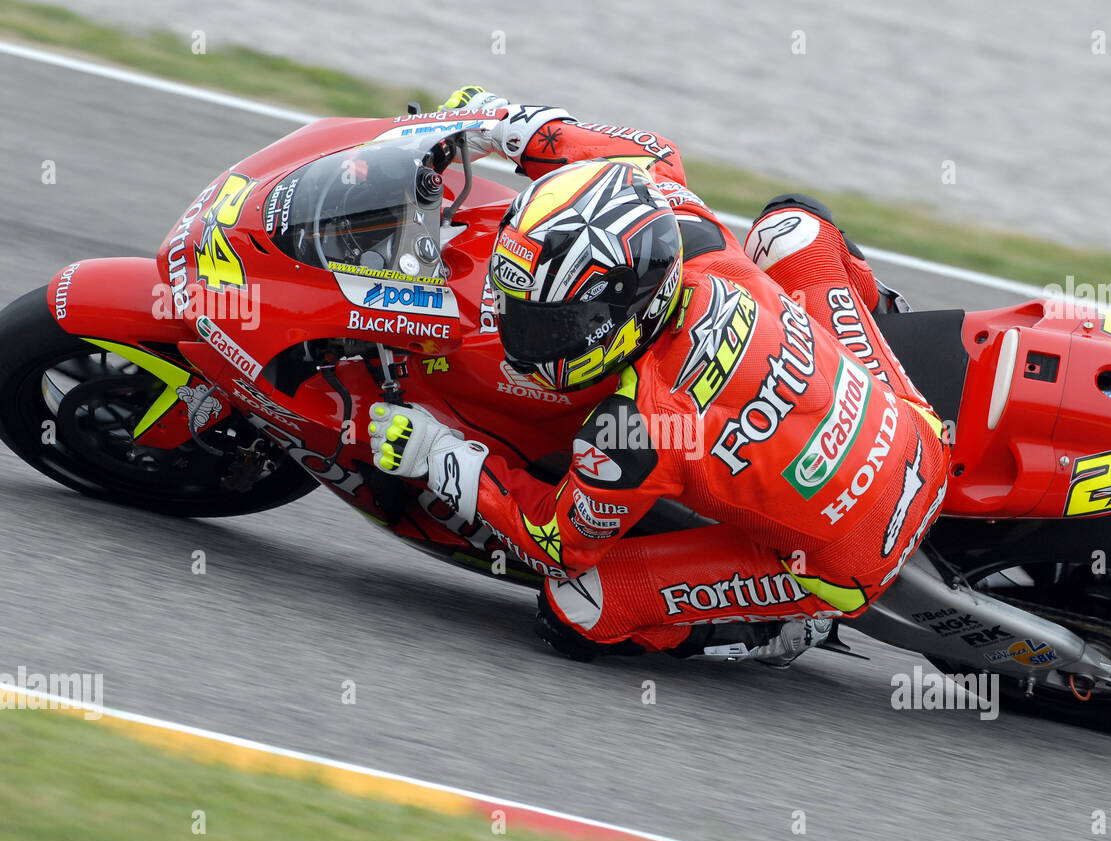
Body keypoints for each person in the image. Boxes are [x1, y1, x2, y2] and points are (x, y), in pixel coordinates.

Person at [367, 87, 950, 667]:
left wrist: (441, 456)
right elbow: (651, 155)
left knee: (576, 609)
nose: (517, 330)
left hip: (848, 559)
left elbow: (557, 543)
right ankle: (884, 320)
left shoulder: (636, 428)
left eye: (547, 322)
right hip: (917, 428)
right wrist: (508, 126)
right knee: (792, 228)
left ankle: (774, 624)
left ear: (613, 319)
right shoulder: (692, 234)